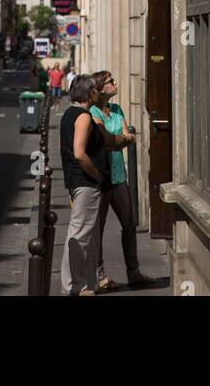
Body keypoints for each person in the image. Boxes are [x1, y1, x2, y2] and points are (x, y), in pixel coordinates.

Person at [59, 74, 134, 296]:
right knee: (81, 235)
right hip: (85, 183)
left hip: (80, 182)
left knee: (86, 236)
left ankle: (86, 283)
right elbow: (80, 154)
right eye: (94, 90)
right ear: (89, 92)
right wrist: (98, 175)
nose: (96, 93)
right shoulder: (82, 117)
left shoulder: (70, 114)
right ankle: (75, 286)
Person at [90, 70, 158, 290]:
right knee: (97, 229)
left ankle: (134, 272)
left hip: (119, 175)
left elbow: (129, 137)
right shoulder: (92, 112)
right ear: (101, 89)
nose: (115, 83)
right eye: (111, 82)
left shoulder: (117, 109)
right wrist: (118, 140)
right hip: (101, 177)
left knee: (129, 223)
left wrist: (116, 141)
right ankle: (99, 275)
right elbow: (105, 140)